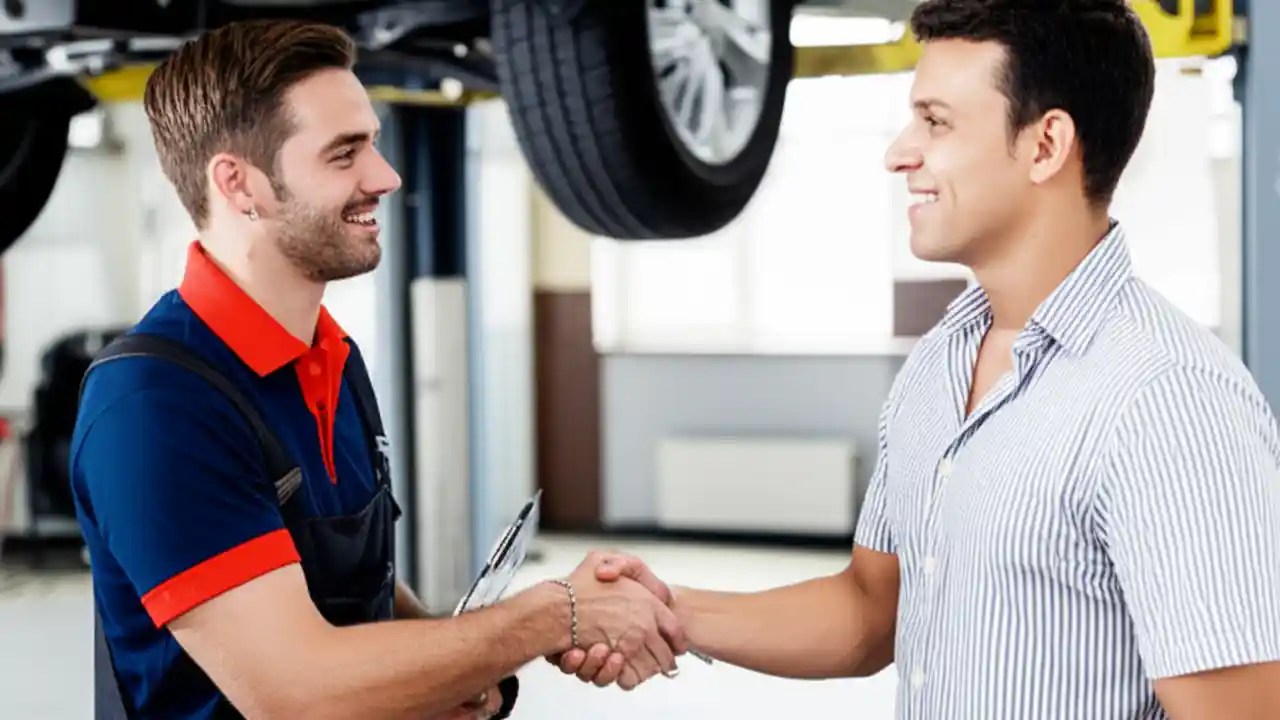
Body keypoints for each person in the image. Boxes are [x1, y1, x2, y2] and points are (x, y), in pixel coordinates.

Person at [556, 1, 1280, 717]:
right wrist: (662, 610)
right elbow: (870, 612)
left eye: (935, 122)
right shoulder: (940, 362)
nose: (900, 152)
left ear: (1046, 146)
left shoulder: (1170, 400)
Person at [71, 19, 683, 720]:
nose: (386, 177)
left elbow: (363, 590)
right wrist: (553, 616)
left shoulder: (333, 356)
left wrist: (457, 669)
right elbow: (294, 690)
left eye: (375, 143)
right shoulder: (155, 404)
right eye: (344, 154)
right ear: (239, 184)